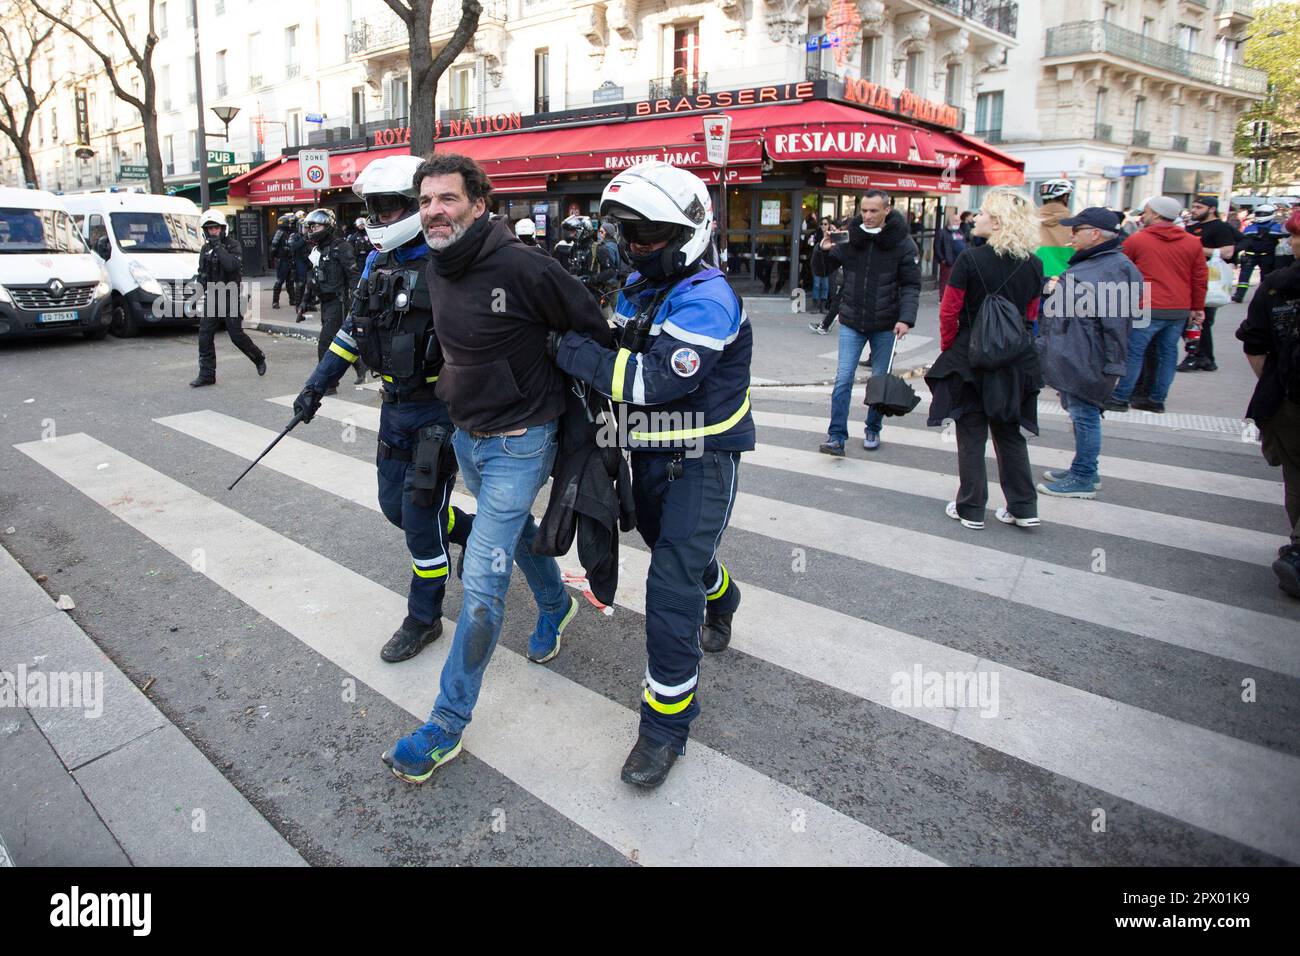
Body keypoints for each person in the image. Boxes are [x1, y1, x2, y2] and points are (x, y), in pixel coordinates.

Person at [380, 153, 614, 785]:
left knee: (480, 583)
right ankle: (553, 603)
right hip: (467, 437)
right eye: (426, 201)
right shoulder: (435, 263)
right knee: (505, 535)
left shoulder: (522, 265)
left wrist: (555, 373)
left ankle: (445, 725)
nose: (434, 211)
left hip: (520, 442)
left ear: (479, 204)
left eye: (447, 199)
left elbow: (592, 328)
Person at [556, 159, 752, 788]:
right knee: (675, 556)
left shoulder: (709, 298)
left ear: (690, 229)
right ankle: (722, 592)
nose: (635, 247)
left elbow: (653, 380)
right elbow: (619, 344)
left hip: (703, 458)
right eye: (629, 234)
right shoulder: (642, 286)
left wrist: (572, 351)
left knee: (669, 590)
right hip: (647, 453)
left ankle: (664, 731)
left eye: (648, 235)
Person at [293, 155, 474, 662]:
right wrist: (316, 386)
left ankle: (424, 619)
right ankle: (475, 532)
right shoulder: (377, 263)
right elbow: (354, 330)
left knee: (418, 519)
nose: (384, 218)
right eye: (376, 209)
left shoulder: (448, 262)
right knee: (395, 507)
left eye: (393, 208)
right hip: (392, 407)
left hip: (437, 411)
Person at [926, 188, 1044, 531]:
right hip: (1014, 359)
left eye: (982, 214)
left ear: (998, 221)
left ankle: (972, 507)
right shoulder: (1035, 264)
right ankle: (1023, 506)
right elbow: (1031, 316)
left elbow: (949, 311)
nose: (975, 218)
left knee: (972, 430)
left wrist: (950, 347)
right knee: (1009, 431)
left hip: (970, 356)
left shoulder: (970, 259)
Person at [1036, 208, 1142, 499]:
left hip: (1088, 358)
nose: (1071, 236)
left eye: (1076, 230)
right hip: (1075, 354)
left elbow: (1117, 325)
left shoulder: (1113, 268)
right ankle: (1083, 469)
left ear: (1094, 233)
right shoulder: (1096, 262)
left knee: (1085, 415)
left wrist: (1113, 366)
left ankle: (1084, 476)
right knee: (1079, 412)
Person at [813, 191, 920, 454]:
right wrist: (821, 250)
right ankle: (836, 436)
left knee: (879, 380)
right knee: (843, 379)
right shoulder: (849, 237)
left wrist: (906, 319)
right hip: (851, 320)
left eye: (874, 210)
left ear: (887, 210)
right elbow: (820, 270)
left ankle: (873, 427)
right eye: (864, 210)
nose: (868, 216)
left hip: (886, 323)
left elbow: (911, 285)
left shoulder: (903, 244)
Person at [1237, 209, 1300, 598]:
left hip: (1289, 396)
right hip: (1288, 395)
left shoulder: (1279, 285)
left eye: (1295, 236)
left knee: (1295, 474)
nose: (1291, 242)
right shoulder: (1279, 282)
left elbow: (1256, 345)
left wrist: (1277, 384)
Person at [1107, 196, 1207, 414]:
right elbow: (1199, 277)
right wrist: (1197, 307)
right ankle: (1156, 399)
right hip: (1179, 307)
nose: (1144, 215)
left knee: (1134, 353)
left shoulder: (1137, 240)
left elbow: (1120, 270)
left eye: (1147, 211)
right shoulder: (1192, 242)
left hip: (1147, 305)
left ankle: (1120, 397)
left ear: (1154, 213)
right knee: (1167, 354)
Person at [190, 211, 266, 388]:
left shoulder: (233, 245)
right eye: (209, 229)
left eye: (215, 228)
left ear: (223, 228)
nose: (212, 232)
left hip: (232, 296)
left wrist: (218, 246)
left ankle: (258, 357)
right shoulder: (205, 249)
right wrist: (195, 295)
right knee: (204, 335)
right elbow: (202, 274)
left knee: (236, 336)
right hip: (213, 296)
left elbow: (231, 266)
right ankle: (207, 374)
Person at [1179, 194, 1242, 374]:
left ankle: (1196, 356)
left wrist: (1195, 247)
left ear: (1212, 209)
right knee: (1197, 321)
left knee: (1196, 320)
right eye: (1194, 207)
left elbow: (1228, 252)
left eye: (1199, 207)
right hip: (1192, 276)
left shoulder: (1220, 227)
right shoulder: (1193, 227)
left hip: (1209, 278)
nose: (1194, 210)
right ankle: (1205, 358)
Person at [301, 208, 363, 390]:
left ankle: (328, 384)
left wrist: (357, 300)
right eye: (310, 227)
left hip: (340, 301)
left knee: (325, 343)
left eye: (316, 226)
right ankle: (360, 365)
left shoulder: (341, 247)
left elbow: (353, 275)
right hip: (325, 302)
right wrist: (305, 300)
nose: (312, 230)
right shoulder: (316, 251)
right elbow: (312, 278)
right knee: (339, 340)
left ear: (328, 226)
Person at [1233, 204, 1285, 305]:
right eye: (1259, 213)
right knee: (1247, 277)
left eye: (1263, 214)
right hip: (1260, 256)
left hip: (1259, 255)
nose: (1261, 215)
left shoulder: (1253, 226)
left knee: (1261, 277)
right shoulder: (1274, 226)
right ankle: (1242, 295)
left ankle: (1242, 295)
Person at [1034, 179, 1074, 279]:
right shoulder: (1076, 224)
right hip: (1065, 280)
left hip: (1036, 278)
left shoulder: (1028, 222)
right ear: (1065, 197)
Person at [934, 210, 967, 297]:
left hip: (959, 260)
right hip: (948, 261)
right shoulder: (942, 232)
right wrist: (942, 259)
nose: (959, 222)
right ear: (951, 221)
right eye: (956, 220)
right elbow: (937, 247)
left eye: (959, 220)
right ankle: (943, 297)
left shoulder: (959, 231)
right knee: (945, 280)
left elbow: (964, 242)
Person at [268, 213, 299, 309]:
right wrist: (273, 258)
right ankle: (275, 301)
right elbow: (273, 247)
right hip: (282, 260)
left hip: (289, 259)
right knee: (280, 281)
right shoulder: (280, 233)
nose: (290, 224)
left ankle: (292, 299)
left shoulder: (290, 233)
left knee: (290, 281)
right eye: (289, 223)